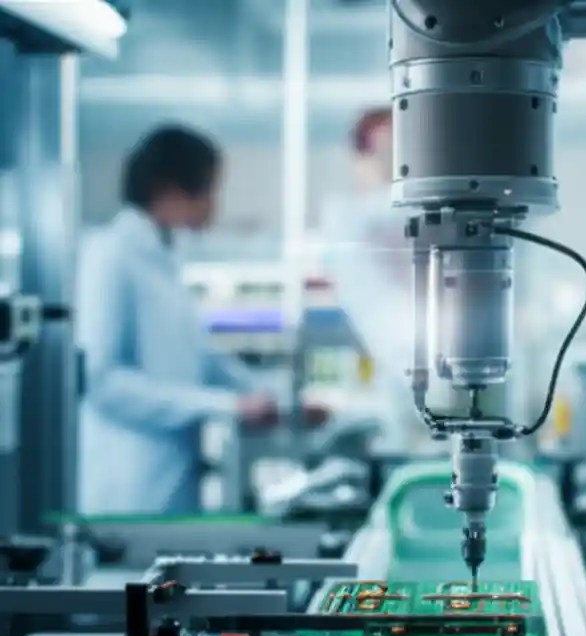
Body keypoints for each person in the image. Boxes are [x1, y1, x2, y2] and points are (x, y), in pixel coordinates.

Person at [77, 125, 279, 515]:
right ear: (168, 190)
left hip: (172, 482)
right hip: (127, 485)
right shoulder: (110, 255)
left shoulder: (166, 261)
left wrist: (274, 398)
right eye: (208, 191)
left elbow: (204, 361)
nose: (214, 207)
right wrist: (227, 405)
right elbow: (102, 382)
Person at [318, 108, 424, 451]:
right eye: (389, 148)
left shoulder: (405, 223)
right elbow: (389, 212)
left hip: (428, 370)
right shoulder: (348, 217)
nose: (398, 159)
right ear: (362, 155)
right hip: (394, 379)